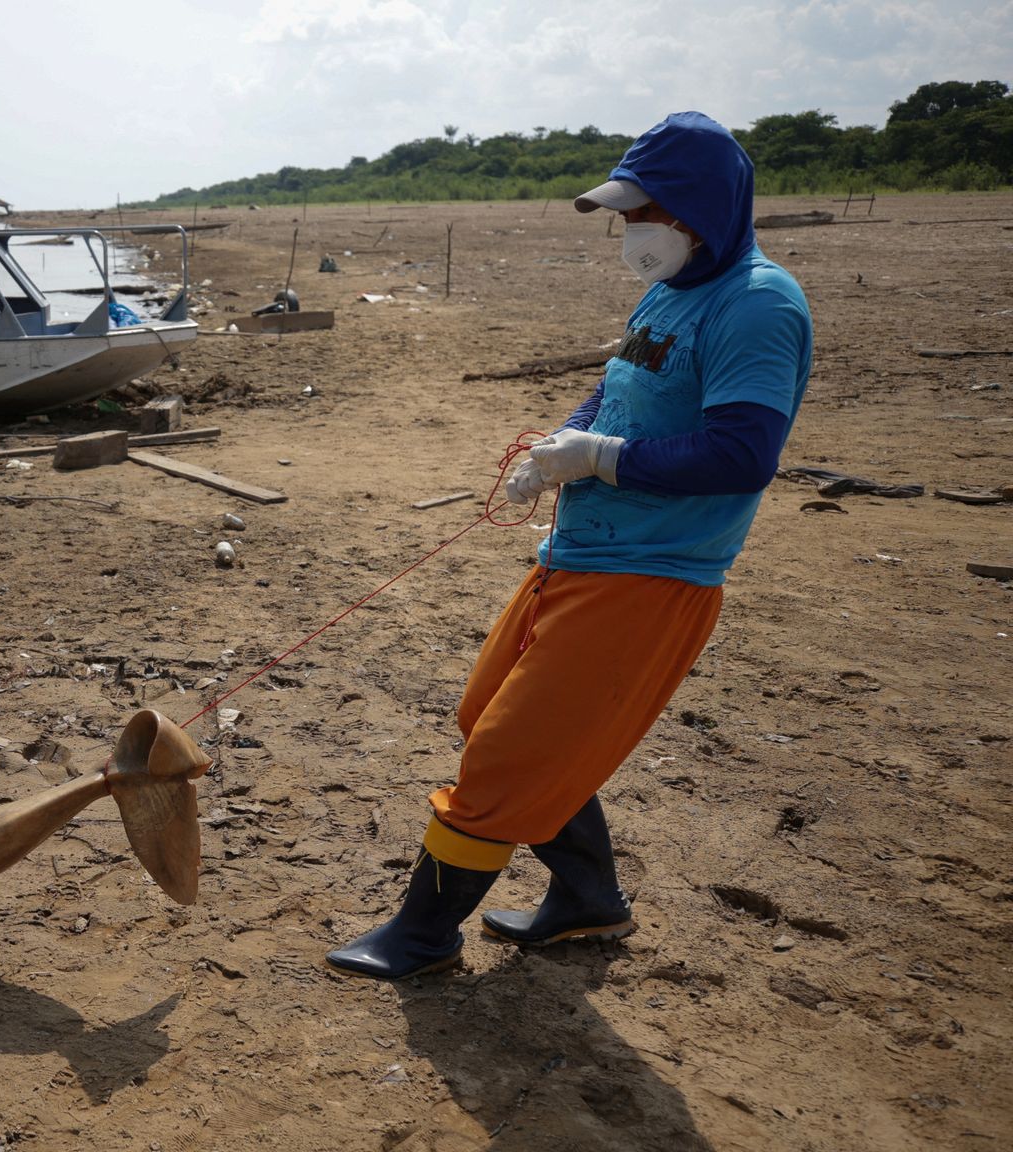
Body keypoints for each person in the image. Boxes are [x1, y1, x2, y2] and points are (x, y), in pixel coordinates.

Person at [327, 111, 813, 980]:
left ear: (700, 207)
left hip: (652, 575)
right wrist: (564, 443)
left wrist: (602, 459)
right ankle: (588, 902)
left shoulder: (758, 305)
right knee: (489, 719)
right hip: (579, 556)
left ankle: (422, 935)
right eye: (623, 215)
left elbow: (744, 454)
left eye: (642, 213)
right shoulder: (671, 287)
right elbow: (616, 387)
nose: (631, 230)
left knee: (512, 754)